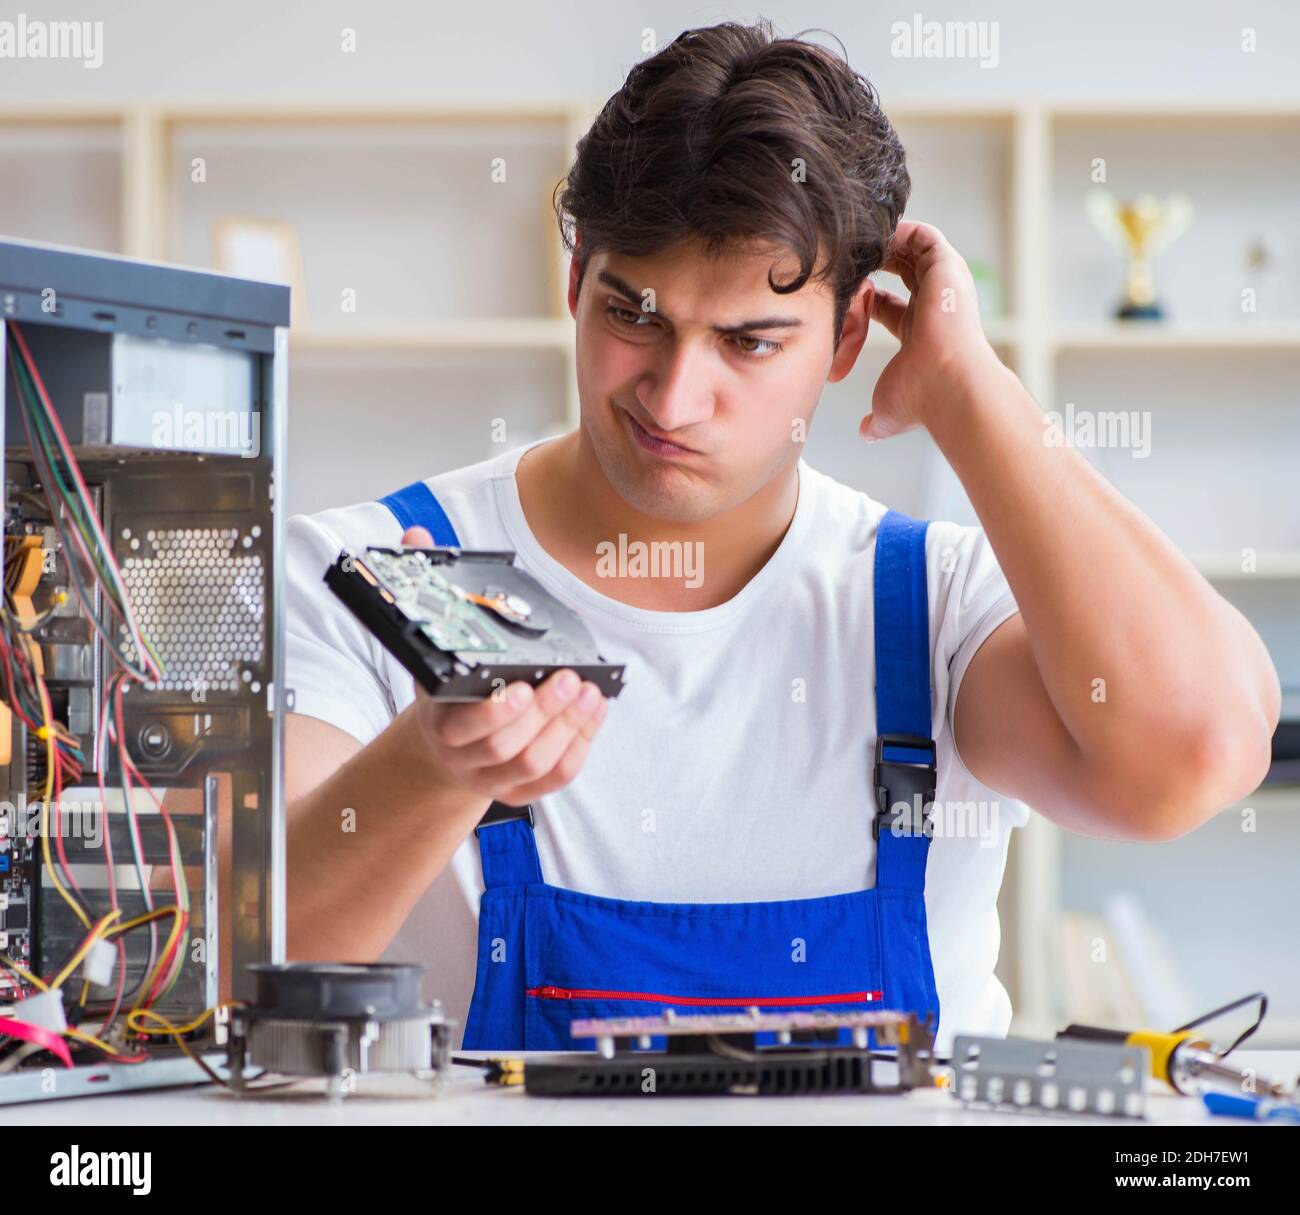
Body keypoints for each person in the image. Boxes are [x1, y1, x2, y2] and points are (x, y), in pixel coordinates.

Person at [281, 21, 1279, 1052]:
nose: (673, 395)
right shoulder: (377, 572)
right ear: (574, 282)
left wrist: (970, 393)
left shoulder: (933, 606)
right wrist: (430, 774)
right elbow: (244, 967)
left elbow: (1197, 751)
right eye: (634, 316)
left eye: (748, 342)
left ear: (850, 335)